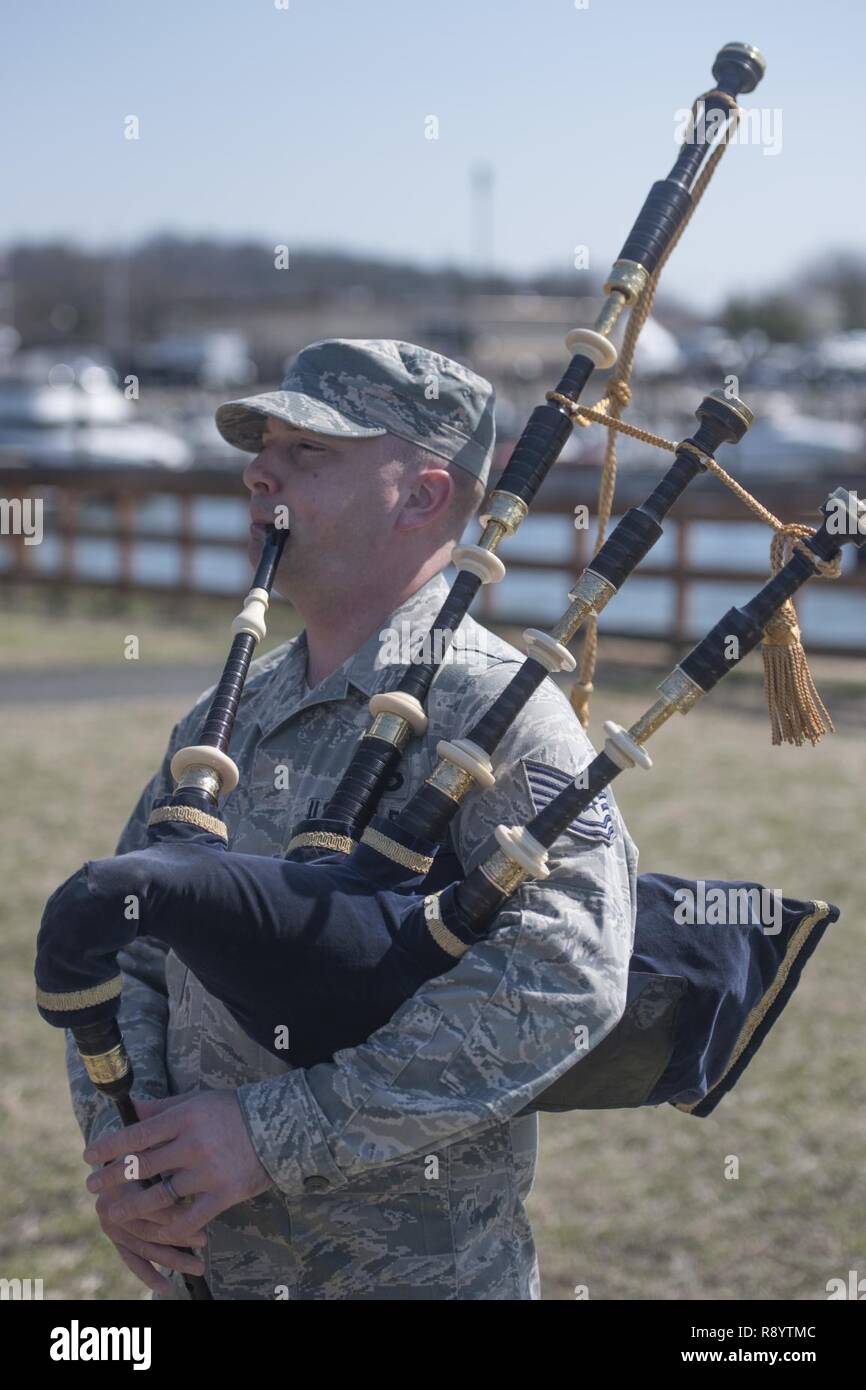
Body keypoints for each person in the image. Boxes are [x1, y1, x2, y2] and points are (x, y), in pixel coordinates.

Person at [69, 337, 638, 1300]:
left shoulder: (495, 711)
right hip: (215, 1271)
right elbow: (130, 938)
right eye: (264, 449)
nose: (260, 473)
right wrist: (130, 1149)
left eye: (310, 454)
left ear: (422, 496)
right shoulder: (231, 710)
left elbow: (564, 977)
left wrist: (269, 1135)